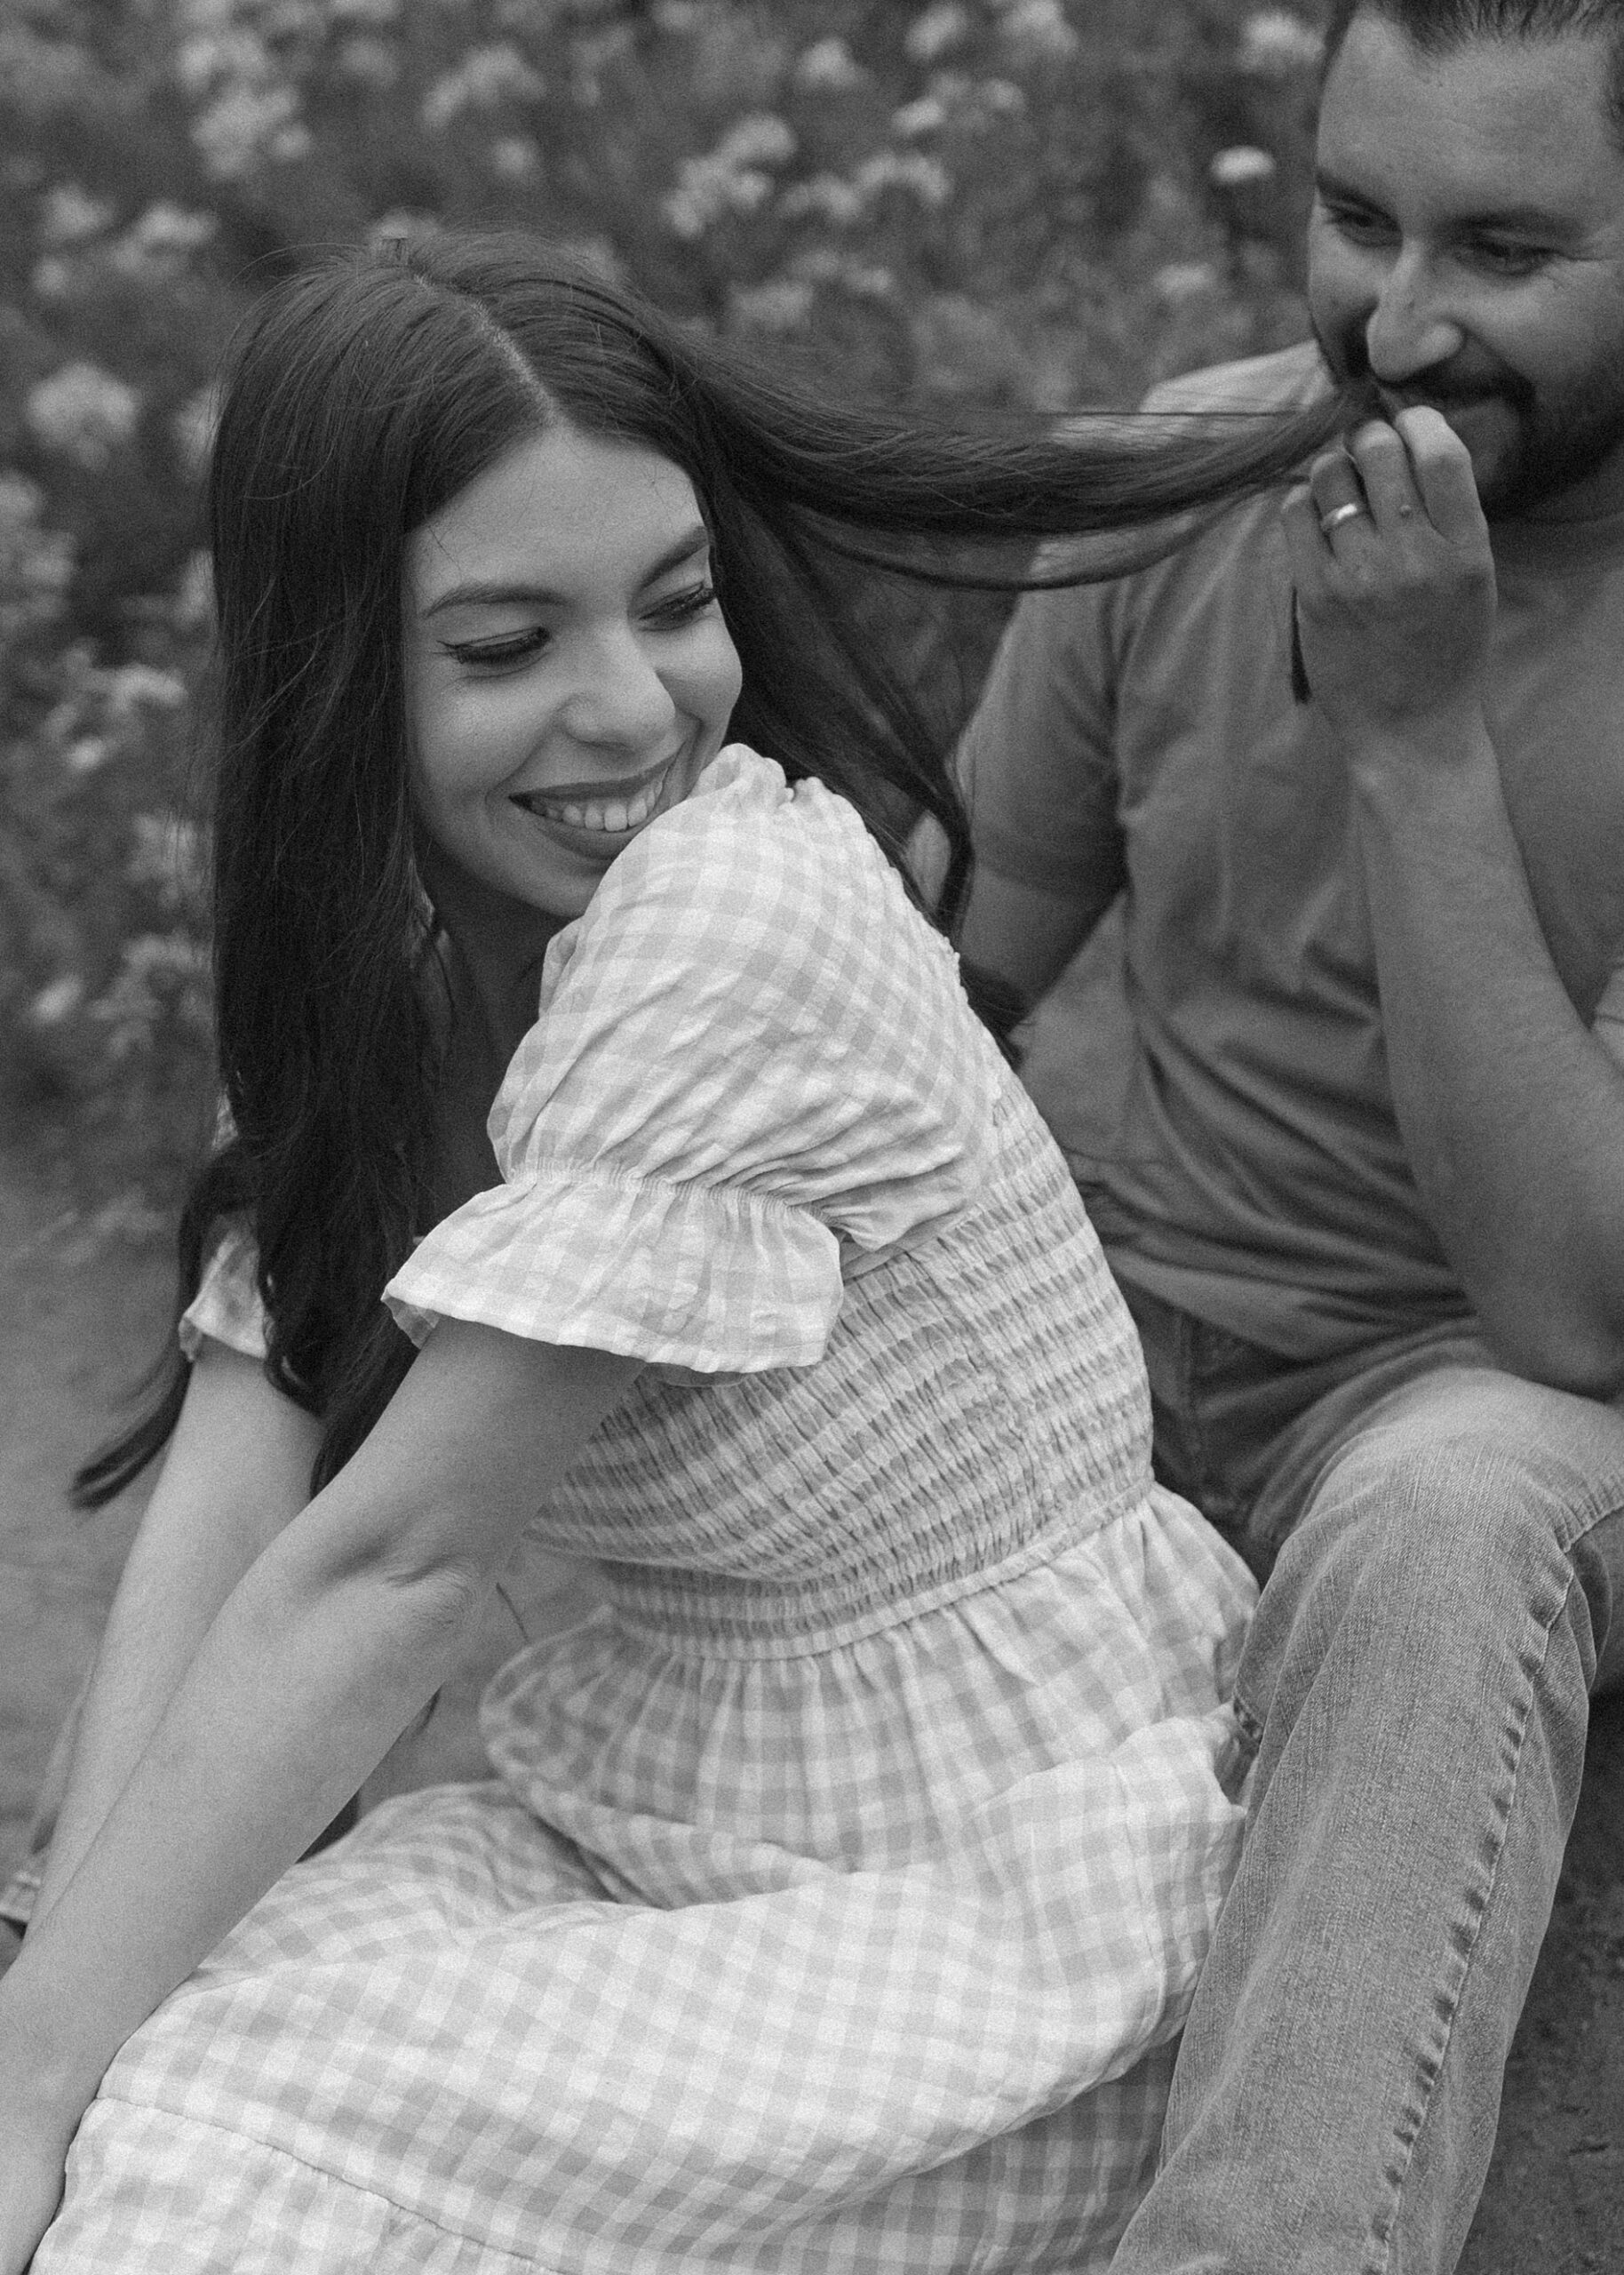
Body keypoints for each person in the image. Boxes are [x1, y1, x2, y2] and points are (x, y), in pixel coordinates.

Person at [0, 231, 1341, 2273]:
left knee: (190, 2147)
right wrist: (41, 1994)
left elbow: (389, 1569)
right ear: (337, 672)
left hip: (987, 1909)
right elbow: (234, 1494)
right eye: (504, 643)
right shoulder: (408, 966)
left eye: (674, 599)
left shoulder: (735, 930)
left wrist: (30, 2079)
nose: (631, 707)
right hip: (664, 1825)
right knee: (147, 2042)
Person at [949, 3, 1624, 2269]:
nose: (1397, 322)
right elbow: (951, 982)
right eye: (1353, 220)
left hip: (1475, 1399)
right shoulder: (1183, 472)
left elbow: (1572, 1314)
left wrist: (1416, 731)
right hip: (1135, 1347)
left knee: (1445, 1513)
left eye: (1505, 247)